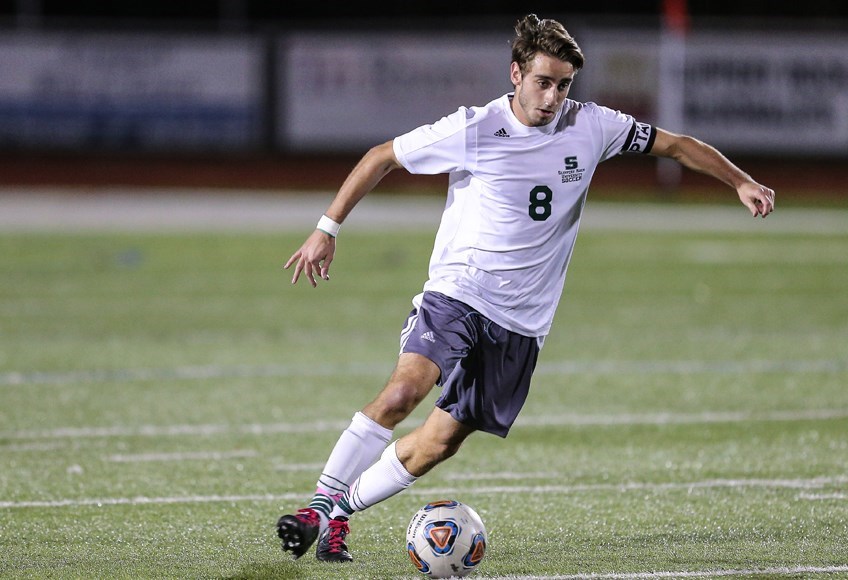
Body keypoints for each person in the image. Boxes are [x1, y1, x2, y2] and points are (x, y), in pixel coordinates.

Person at [276, 13, 775, 563]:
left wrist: (740, 180)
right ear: (515, 74)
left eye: (564, 85)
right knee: (403, 392)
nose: (553, 96)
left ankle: (340, 513)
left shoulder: (594, 126)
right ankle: (315, 509)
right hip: (458, 293)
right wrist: (327, 229)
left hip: (522, 323)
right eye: (543, 81)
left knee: (439, 443)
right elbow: (380, 157)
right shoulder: (474, 128)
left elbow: (676, 145)